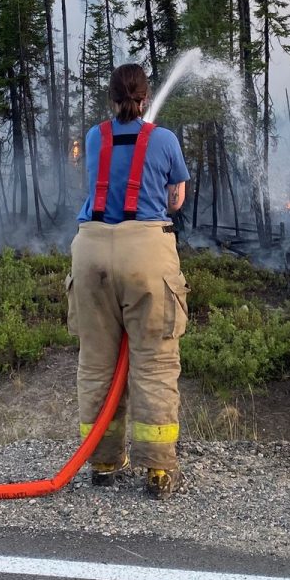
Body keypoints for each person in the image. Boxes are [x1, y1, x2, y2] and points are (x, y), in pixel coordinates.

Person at [68, 63, 190, 498]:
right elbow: (175, 198)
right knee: (154, 363)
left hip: (91, 250)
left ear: (111, 99)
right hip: (146, 252)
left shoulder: (95, 137)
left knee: (97, 362)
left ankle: (102, 461)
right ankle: (157, 469)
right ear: (145, 97)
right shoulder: (165, 140)